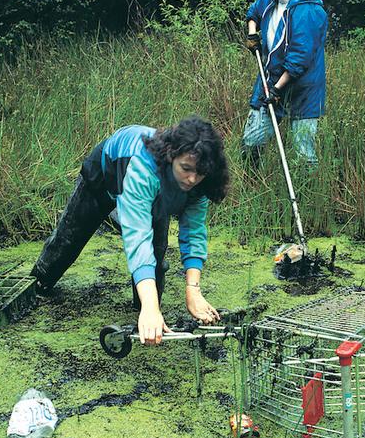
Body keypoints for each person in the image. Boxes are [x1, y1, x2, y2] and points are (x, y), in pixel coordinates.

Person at [31, 116, 231, 345]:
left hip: (157, 196)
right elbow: (138, 237)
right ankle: (38, 284)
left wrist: (192, 290)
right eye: (186, 168)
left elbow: (194, 233)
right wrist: (150, 307)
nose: (192, 178)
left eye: (200, 172)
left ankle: (145, 309)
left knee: (156, 258)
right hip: (104, 180)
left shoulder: (198, 182)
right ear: (170, 155)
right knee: (68, 241)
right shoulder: (144, 167)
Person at [243, 0, 328, 166]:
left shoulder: (306, 9)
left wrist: (277, 89)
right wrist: (253, 35)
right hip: (271, 82)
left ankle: (306, 194)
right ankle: (252, 185)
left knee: (303, 153)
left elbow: (299, 59)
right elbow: (253, 12)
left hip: (303, 90)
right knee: (251, 142)